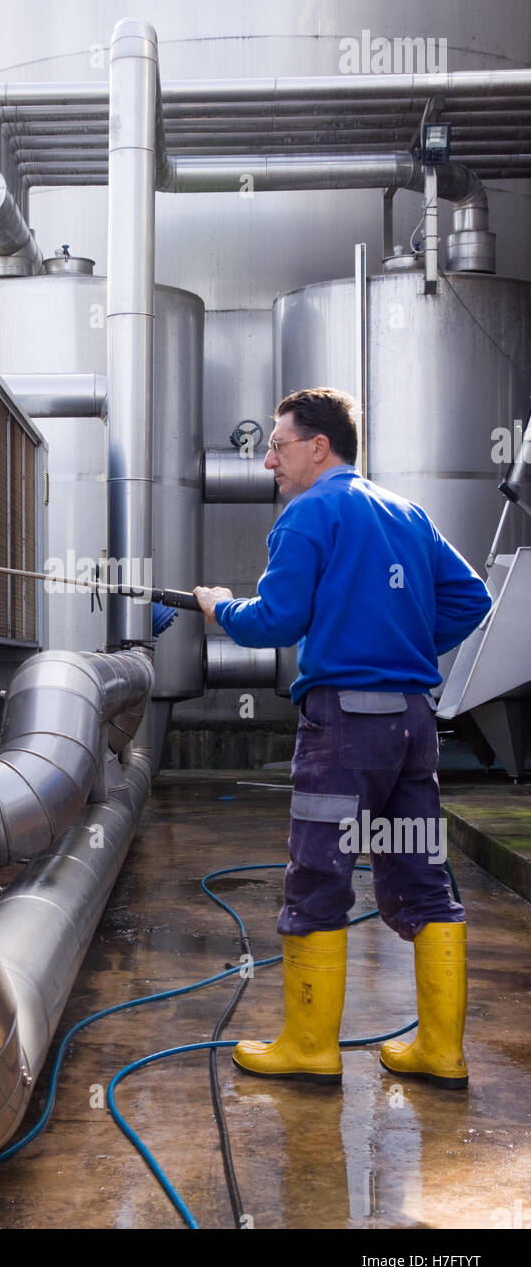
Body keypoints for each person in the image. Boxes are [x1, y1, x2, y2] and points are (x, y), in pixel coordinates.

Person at [194, 388, 492, 1089]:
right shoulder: (407, 514)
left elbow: (274, 621)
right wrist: (406, 644)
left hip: (345, 729)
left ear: (317, 446)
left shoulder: (308, 516)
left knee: (320, 872)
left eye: (278, 444)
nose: (268, 459)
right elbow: (472, 598)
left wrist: (217, 608)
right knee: (422, 876)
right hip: (415, 726)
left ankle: (308, 1047)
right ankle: (441, 1052)